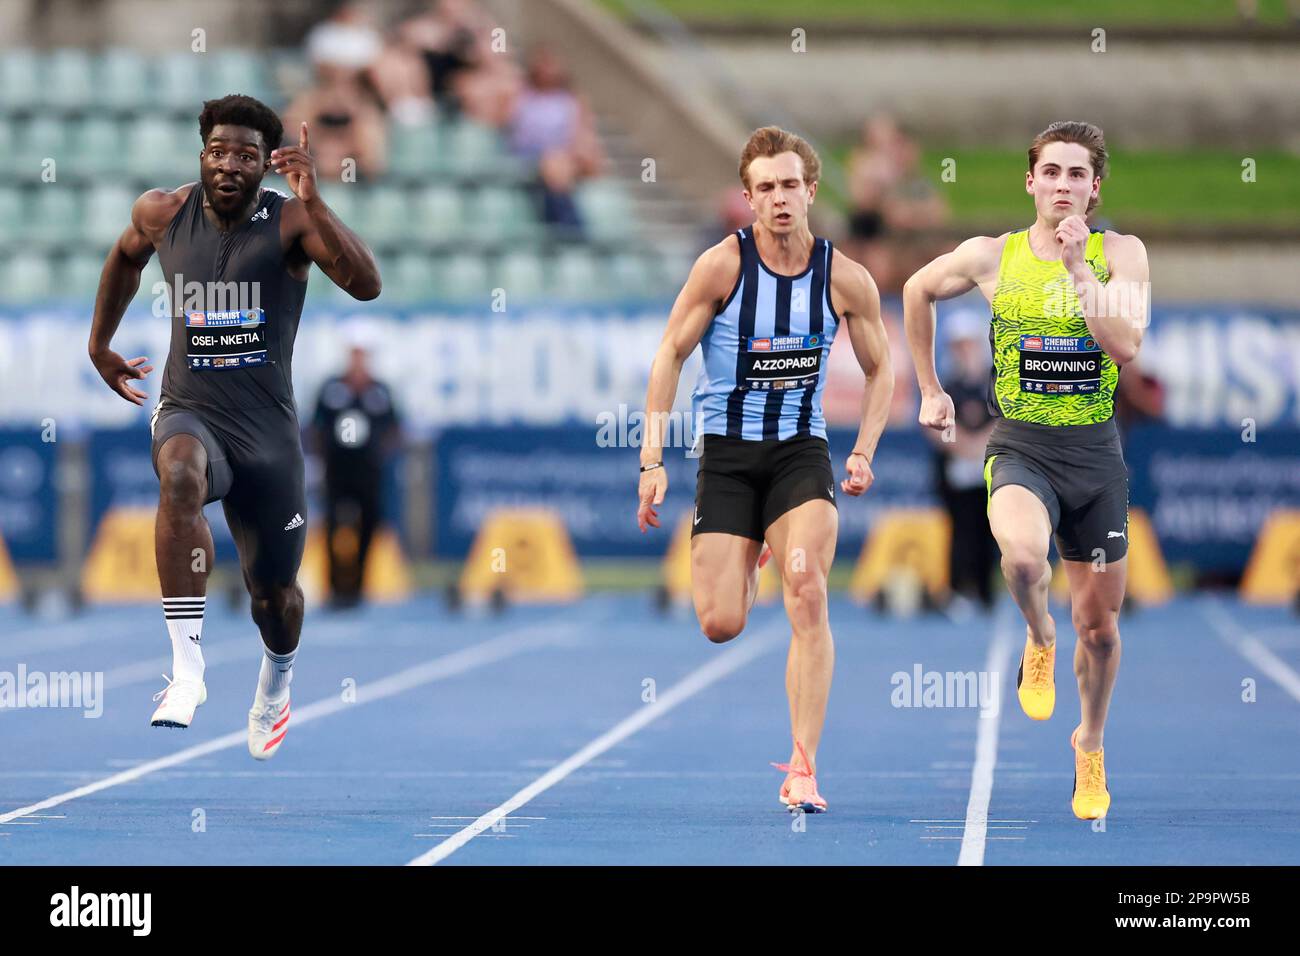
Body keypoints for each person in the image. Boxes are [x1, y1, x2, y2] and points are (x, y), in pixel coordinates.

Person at [87, 94, 381, 759]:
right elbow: (124, 259)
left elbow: (367, 285)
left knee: (275, 596)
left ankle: (276, 680)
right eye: (218, 150)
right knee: (180, 476)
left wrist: (316, 201)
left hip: (267, 431)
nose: (228, 165)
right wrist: (99, 343)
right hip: (190, 409)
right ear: (202, 154)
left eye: (246, 155)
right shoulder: (162, 211)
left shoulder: (291, 224)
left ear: (265, 166)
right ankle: (187, 669)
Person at [637, 127, 893, 813]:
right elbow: (669, 355)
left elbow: (880, 367)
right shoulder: (721, 268)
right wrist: (651, 458)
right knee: (720, 624)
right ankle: (747, 560)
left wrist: (864, 447)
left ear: (811, 192)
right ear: (747, 198)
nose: (779, 199)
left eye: (790, 186)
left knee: (807, 590)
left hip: (799, 454)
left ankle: (804, 765)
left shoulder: (844, 278)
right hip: (726, 455)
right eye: (765, 188)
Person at [902, 121, 1148, 819]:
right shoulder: (992, 257)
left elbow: (1126, 346)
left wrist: (1077, 272)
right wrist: (928, 387)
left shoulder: (1120, 254)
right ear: (1030, 181)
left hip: (1097, 456)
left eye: (1078, 174)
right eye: (1053, 172)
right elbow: (916, 292)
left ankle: (1090, 743)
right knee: (1019, 557)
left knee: (1099, 630)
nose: (1064, 185)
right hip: (1022, 446)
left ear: (1095, 189)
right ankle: (1039, 636)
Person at [311, 332, 401, 609]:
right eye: (355, 354)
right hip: (337, 468)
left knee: (370, 523)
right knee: (332, 524)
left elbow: (394, 427)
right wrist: (320, 457)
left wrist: (381, 455)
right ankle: (335, 585)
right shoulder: (332, 387)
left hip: (368, 470)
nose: (358, 360)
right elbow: (315, 426)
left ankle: (358, 585)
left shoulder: (380, 390)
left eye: (363, 354)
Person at [926, 309, 997, 614]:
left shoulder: (994, 381)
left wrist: (982, 445)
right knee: (960, 530)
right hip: (955, 470)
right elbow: (932, 423)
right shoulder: (946, 385)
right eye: (958, 345)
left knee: (991, 530)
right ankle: (957, 589)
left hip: (990, 467)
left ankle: (985, 591)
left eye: (968, 344)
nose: (964, 351)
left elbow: (1007, 417)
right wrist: (963, 446)